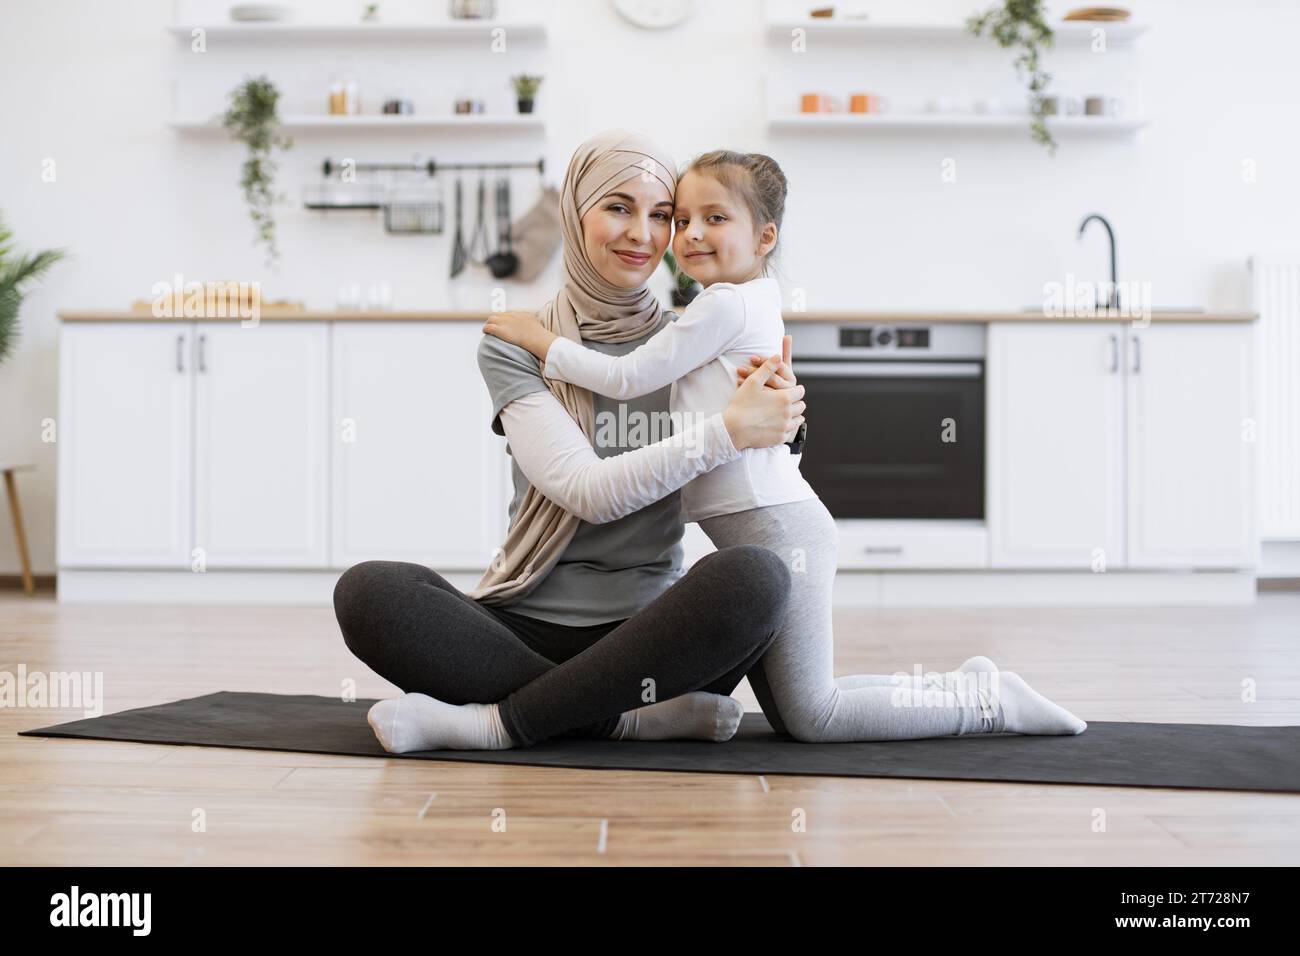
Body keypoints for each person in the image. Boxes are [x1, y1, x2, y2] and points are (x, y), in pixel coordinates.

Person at [484, 148, 1087, 742]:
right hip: (760, 531)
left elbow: (629, 378)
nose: (681, 234)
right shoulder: (718, 311)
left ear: (764, 236)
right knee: (807, 707)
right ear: (576, 212)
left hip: (775, 535)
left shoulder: (702, 315)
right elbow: (631, 460)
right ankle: (965, 687)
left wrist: (543, 342)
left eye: (694, 216)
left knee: (812, 717)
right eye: (684, 218)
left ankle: (985, 704)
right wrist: (751, 419)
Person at [333, 129, 805, 752]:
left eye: (661, 215)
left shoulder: (691, 338)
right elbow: (588, 493)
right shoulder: (517, 341)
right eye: (618, 207)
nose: (642, 233)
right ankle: (625, 718)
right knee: (369, 592)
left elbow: (769, 464)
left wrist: (787, 416)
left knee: (757, 578)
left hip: (652, 634)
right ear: (575, 213)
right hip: (524, 624)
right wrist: (730, 429)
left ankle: (503, 721)